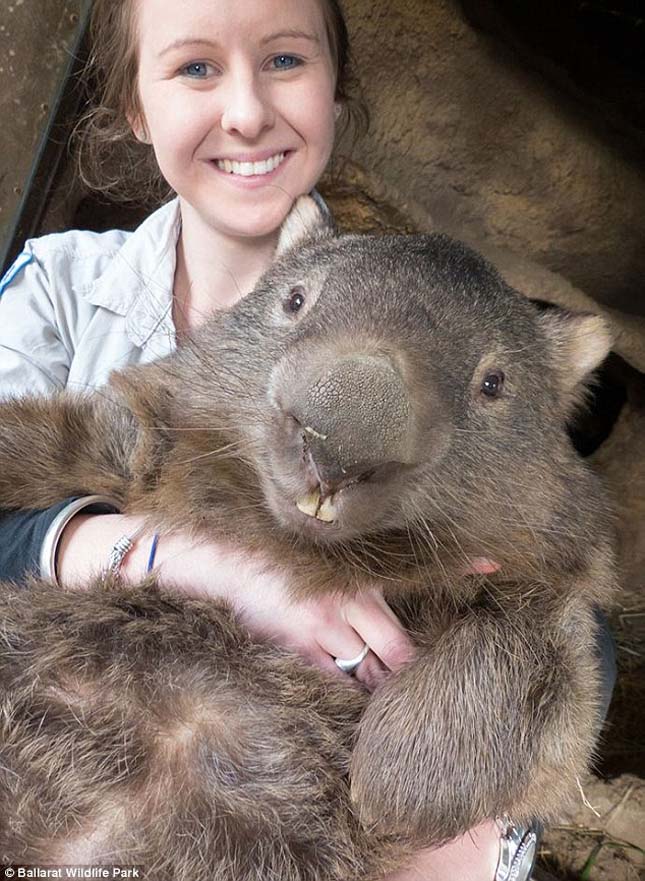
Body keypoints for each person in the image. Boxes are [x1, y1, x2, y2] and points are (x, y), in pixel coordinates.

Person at [0, 1, 614, 878]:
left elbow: (552, 628)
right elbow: (68, 442)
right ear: (134, 104)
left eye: (285, 60)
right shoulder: (60, 291)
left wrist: (498, 699)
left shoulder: (500, 485)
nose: (245, 112)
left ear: (336, 89)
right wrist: (167, 555)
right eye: (195, 67)